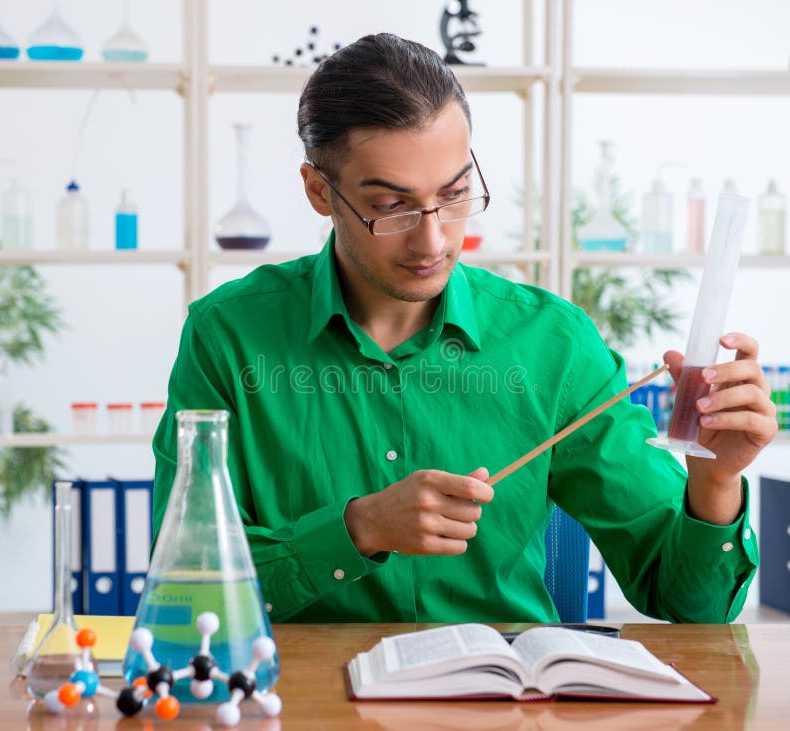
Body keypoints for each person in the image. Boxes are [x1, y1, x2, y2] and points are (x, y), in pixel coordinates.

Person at [153, 33, 775, 624]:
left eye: (454, 195)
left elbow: (689, 604)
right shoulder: (227, 337)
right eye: (391, 206)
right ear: (320, 191)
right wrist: (357, 531)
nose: (433, 240)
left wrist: (715, 481)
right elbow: (183, 587)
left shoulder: (552, 345)